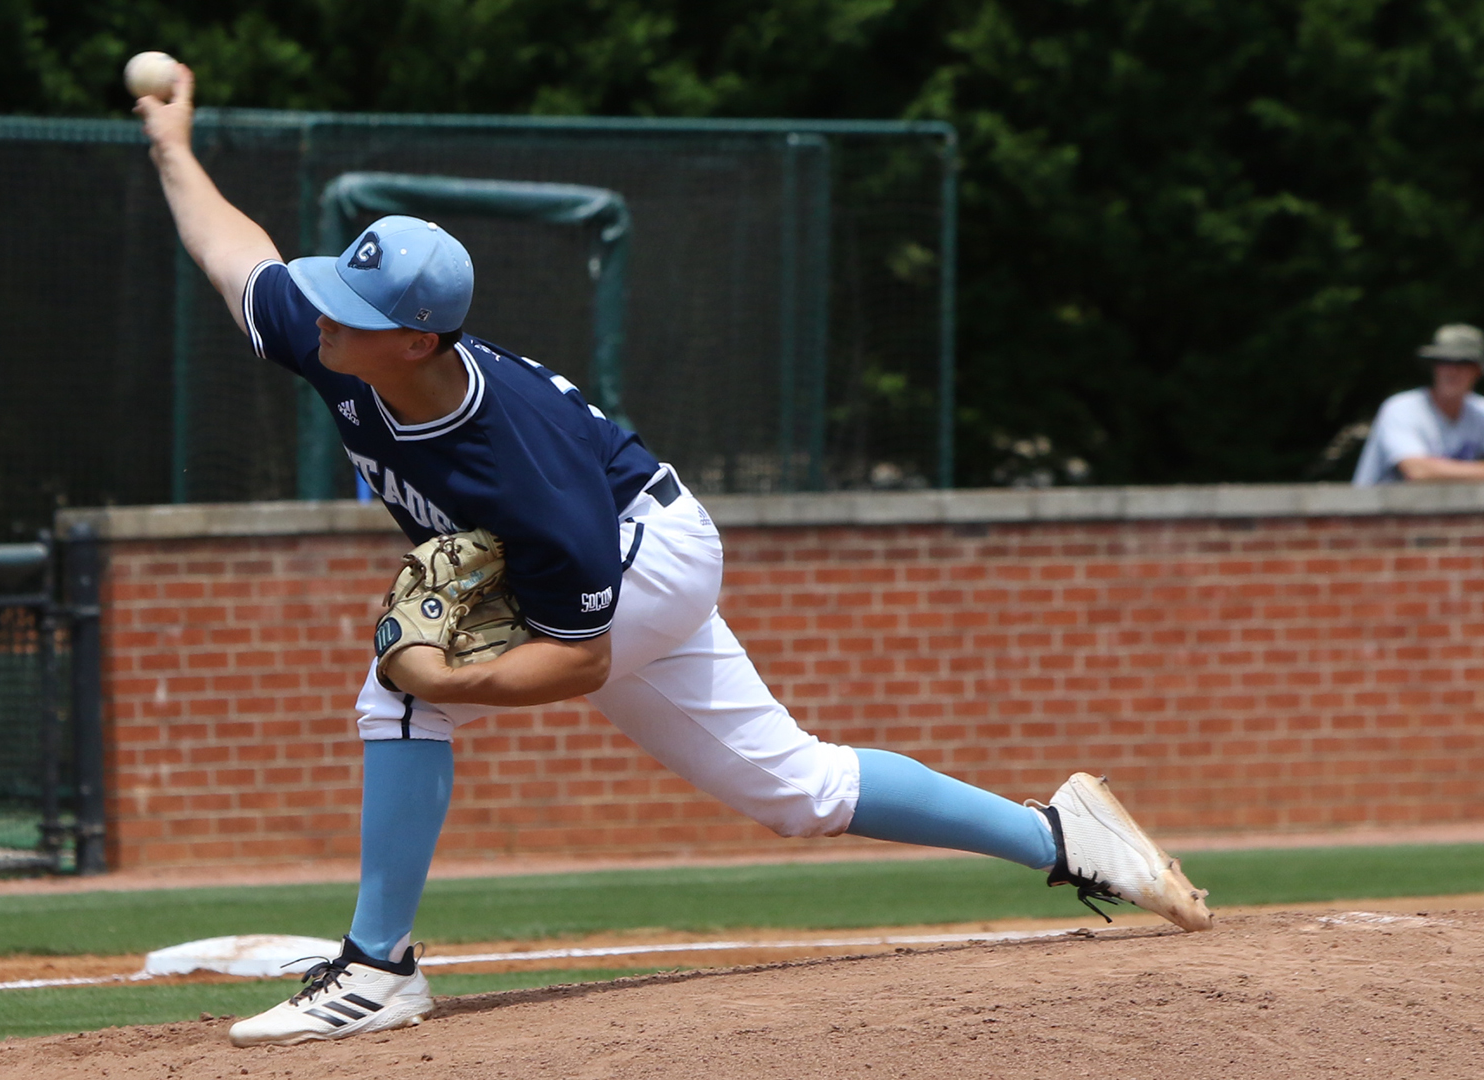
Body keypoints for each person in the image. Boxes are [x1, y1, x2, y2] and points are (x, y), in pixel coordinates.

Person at [137, 67, 1212, 1049]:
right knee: (798, 789)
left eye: (353, 312)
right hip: (634, 535)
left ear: (419, 339)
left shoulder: (518, 468)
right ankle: (1060, 836)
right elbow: (241, 258)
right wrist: (174, 148)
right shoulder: (341, 343)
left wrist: (447, 677)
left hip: (634, 552)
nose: (322, 316)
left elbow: (582, 661)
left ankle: (378, 970)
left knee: (400, 701)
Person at [1353, 323, 1484, 485]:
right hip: (1377, 508)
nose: (1452, 371)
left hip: (1442, 508)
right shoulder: (1401, 408)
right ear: (1434, 367)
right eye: (1444, 361)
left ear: (1478, 370)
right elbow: (1417, 471)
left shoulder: (1479, 411)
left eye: (1462, 363)